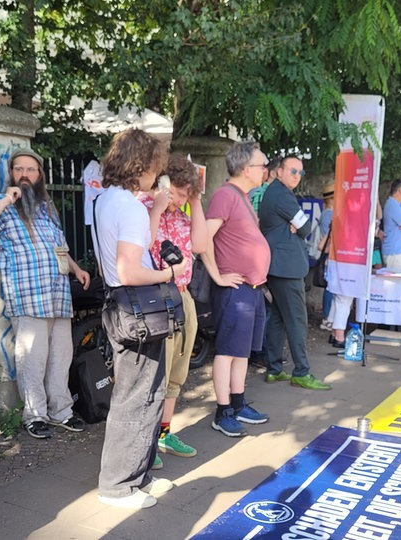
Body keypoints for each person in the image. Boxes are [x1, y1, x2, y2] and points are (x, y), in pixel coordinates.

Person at [0, 147, 91, 439]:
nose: (24, 174)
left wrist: (76, 269)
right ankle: (35, 416)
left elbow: (59, 248)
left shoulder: (47, 207)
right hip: (28, 298)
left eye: (30, 170)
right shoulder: (2, 203)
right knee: (32, 361)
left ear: (39, 175)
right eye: (19, 169)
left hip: (58, 295)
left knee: (60, 359)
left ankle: (62, 413)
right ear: (12, 174)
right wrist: (7, 200)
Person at [91, 129, 186, 509]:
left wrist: (156, 209)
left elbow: (129, 251)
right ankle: (118, 486)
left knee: (142, 392)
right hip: (137, 303)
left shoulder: (107, 200)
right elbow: (130, 269)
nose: (155, 174)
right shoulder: (128, 206)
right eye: (154, 167)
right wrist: (166, 276)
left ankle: (137, 476)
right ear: (143, 165)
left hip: (121, 304)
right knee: (139, 395)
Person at [136, 154, 209, 470]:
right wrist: (158, 206)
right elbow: (144, 242)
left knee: (177, 371)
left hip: (182, 296)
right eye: (176, 193)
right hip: (153, 297)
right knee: (154, 373)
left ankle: (164, 432)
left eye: (185, 195)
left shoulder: (184, 214)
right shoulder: (142, 206)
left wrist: (196, 203)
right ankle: (144, 441)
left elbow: (202, 244)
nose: (179, 201)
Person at [200, 141, 272, 438]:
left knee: (241, 353)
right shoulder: (225, 196)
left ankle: (239, 403)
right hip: (235, 290)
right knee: (228, 352)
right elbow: (203, 239)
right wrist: (217, 276)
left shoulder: (241, 196)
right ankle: (223, 411)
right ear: (246, 168)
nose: (266, 170)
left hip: (251, 288)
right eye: (263, 165)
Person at [260, 155, 330, 390]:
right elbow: (307, 227)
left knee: (278, 318)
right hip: (287, 267)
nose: (297, 176)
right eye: (292, 171)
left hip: (278, 265)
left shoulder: (275, 192)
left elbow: (301, 226)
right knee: (298, 319)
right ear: (278, 171)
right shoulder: (282, 195)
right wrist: (297, 226)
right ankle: (301, 371)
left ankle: (274, 369)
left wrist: (297, 226)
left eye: (300, 173)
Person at [318, 182, 336, 328]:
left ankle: (328, 316)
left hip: (330, 252)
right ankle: (326, 317)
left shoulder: (327, 213)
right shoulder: (329, 215)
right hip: (329, 253)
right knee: (330, 287)